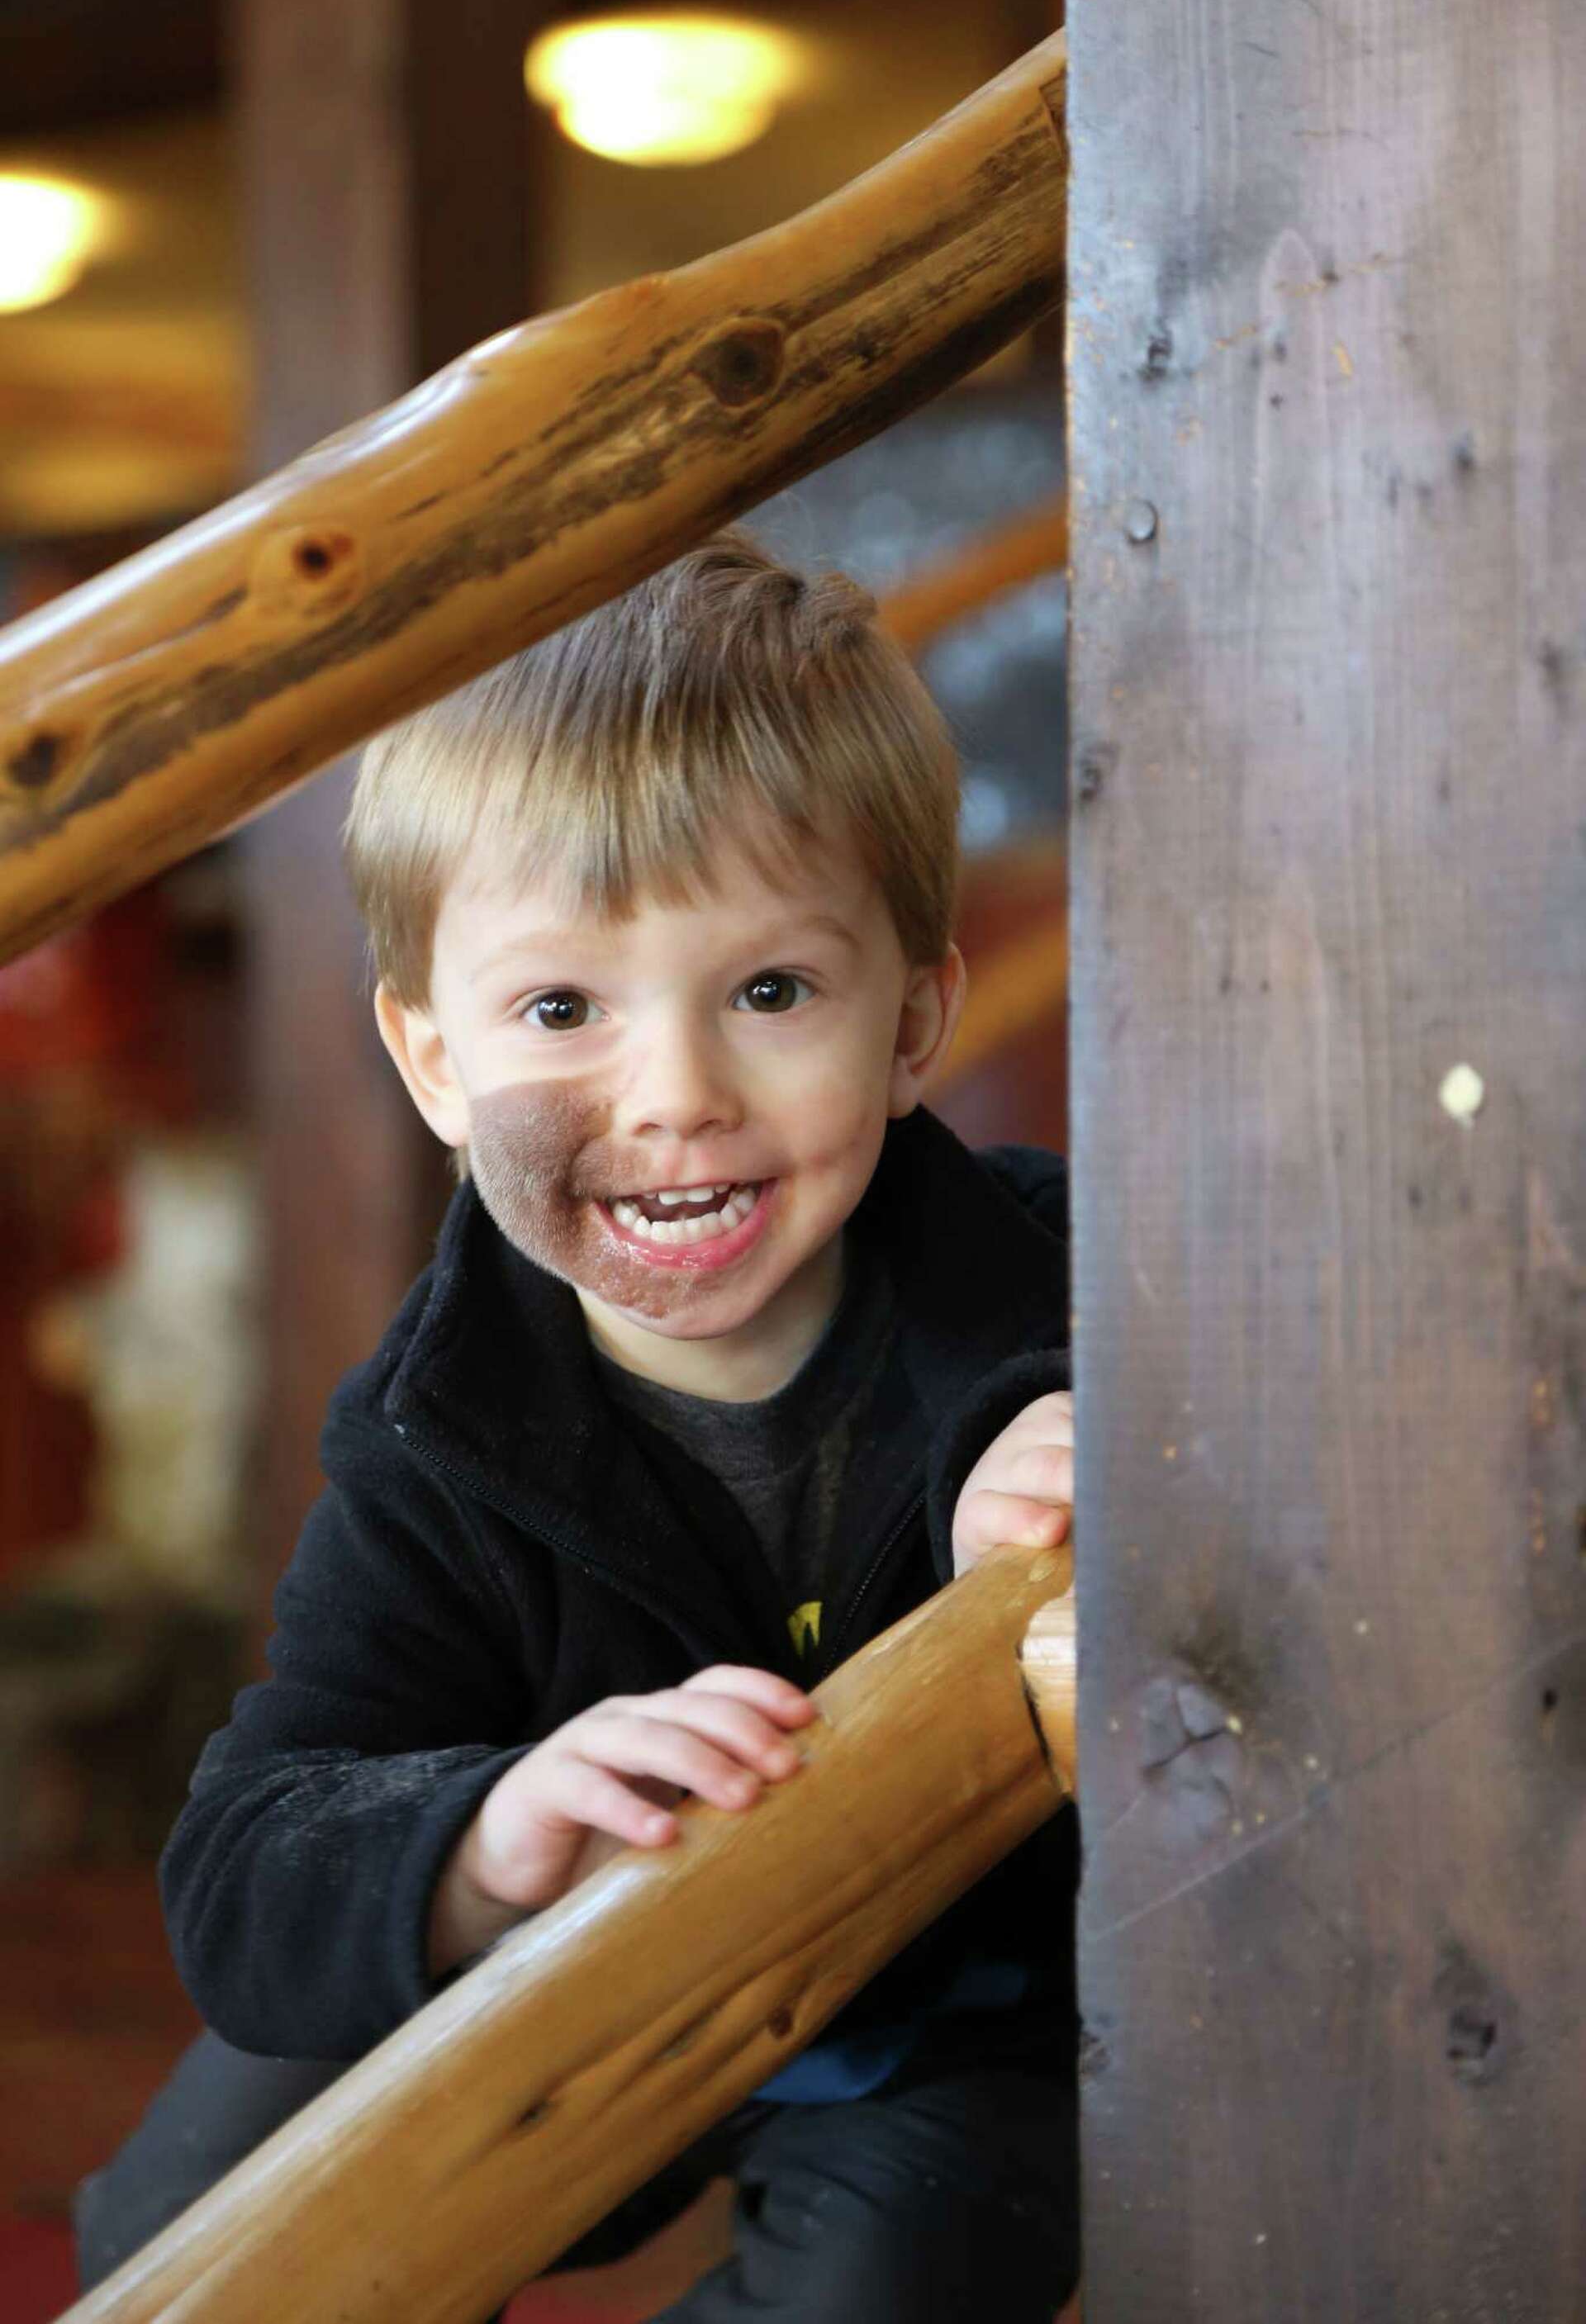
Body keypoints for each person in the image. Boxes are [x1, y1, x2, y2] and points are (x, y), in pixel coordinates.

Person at [75, 529, 1080, 2321]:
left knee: (889, 2277)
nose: (678, 1096)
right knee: (175, 2232)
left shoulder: (1079, 1292)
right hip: (570, 1965)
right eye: (561, 1009)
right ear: (438, 1063)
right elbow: (245, 1864)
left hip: (956, 2015)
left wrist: (1107, 1450)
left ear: (916, 1015)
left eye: (772, 992)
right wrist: (477, 1848)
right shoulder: (441, 1428)